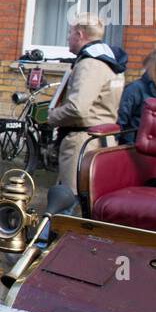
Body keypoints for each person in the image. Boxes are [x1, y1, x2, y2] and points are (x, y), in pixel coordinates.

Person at [47, 13, 125, 190]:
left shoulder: (90, 64)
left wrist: (52, 117)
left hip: (82, 142)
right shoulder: (112, 61)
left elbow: (77, 108)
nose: (68, 37)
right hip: (103, 139)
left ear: (80, 35)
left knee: (68, 201)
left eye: (70, 33)